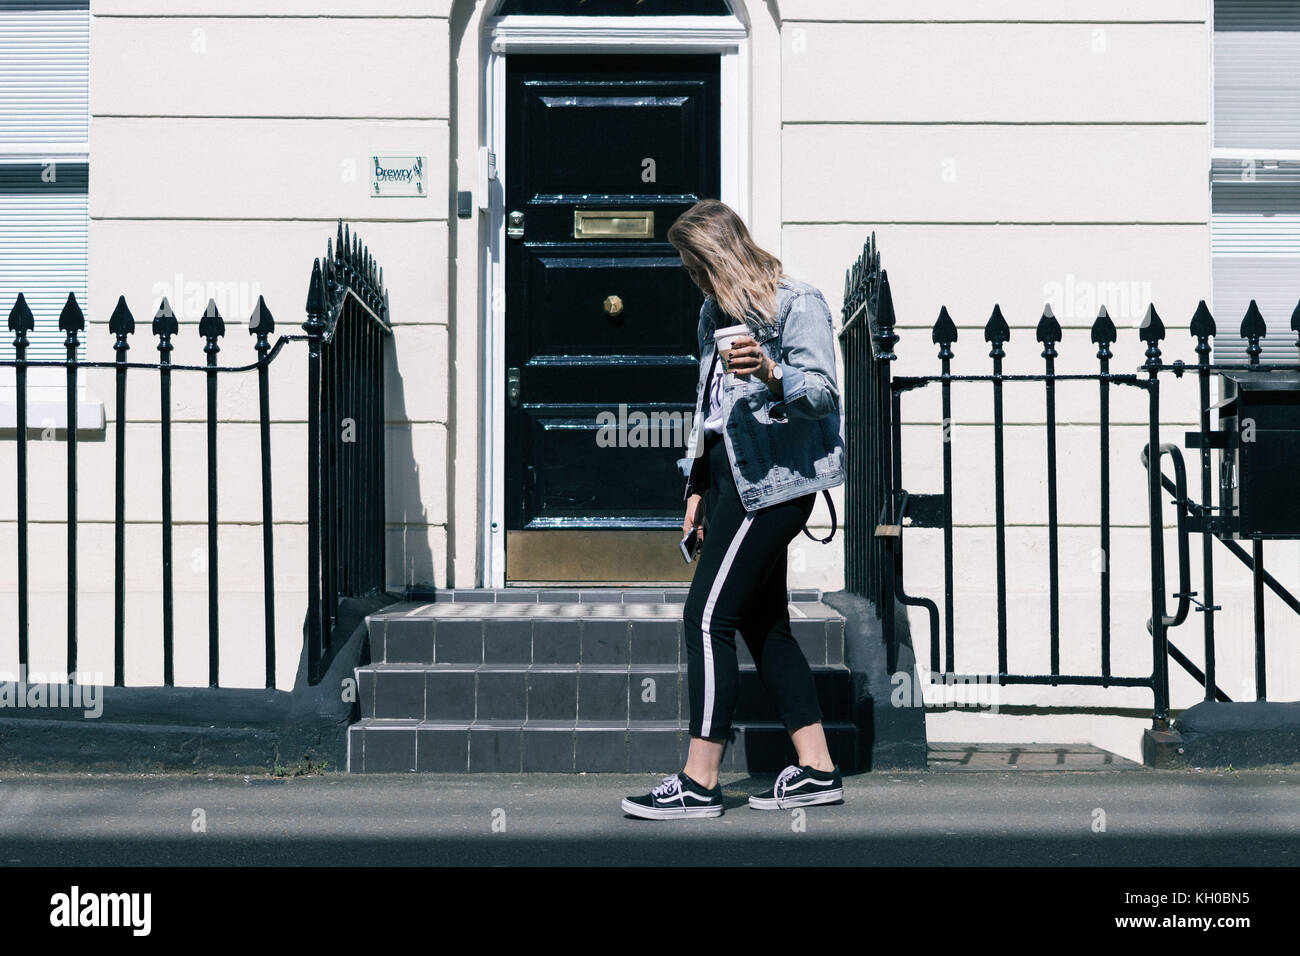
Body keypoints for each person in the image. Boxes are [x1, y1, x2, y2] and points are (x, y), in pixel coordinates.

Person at [622, 199, 847, 820]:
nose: (693, 279)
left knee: (705, 617)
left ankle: (700, 782)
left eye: (697, 266)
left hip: (773, 483)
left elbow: (825, 393)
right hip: (727, 477)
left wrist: (772, 372)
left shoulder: (797, 302)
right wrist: (695, 483)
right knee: (761, 623)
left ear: (722, 254)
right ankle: (818, 770)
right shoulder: (711, 312)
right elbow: (708, 405)